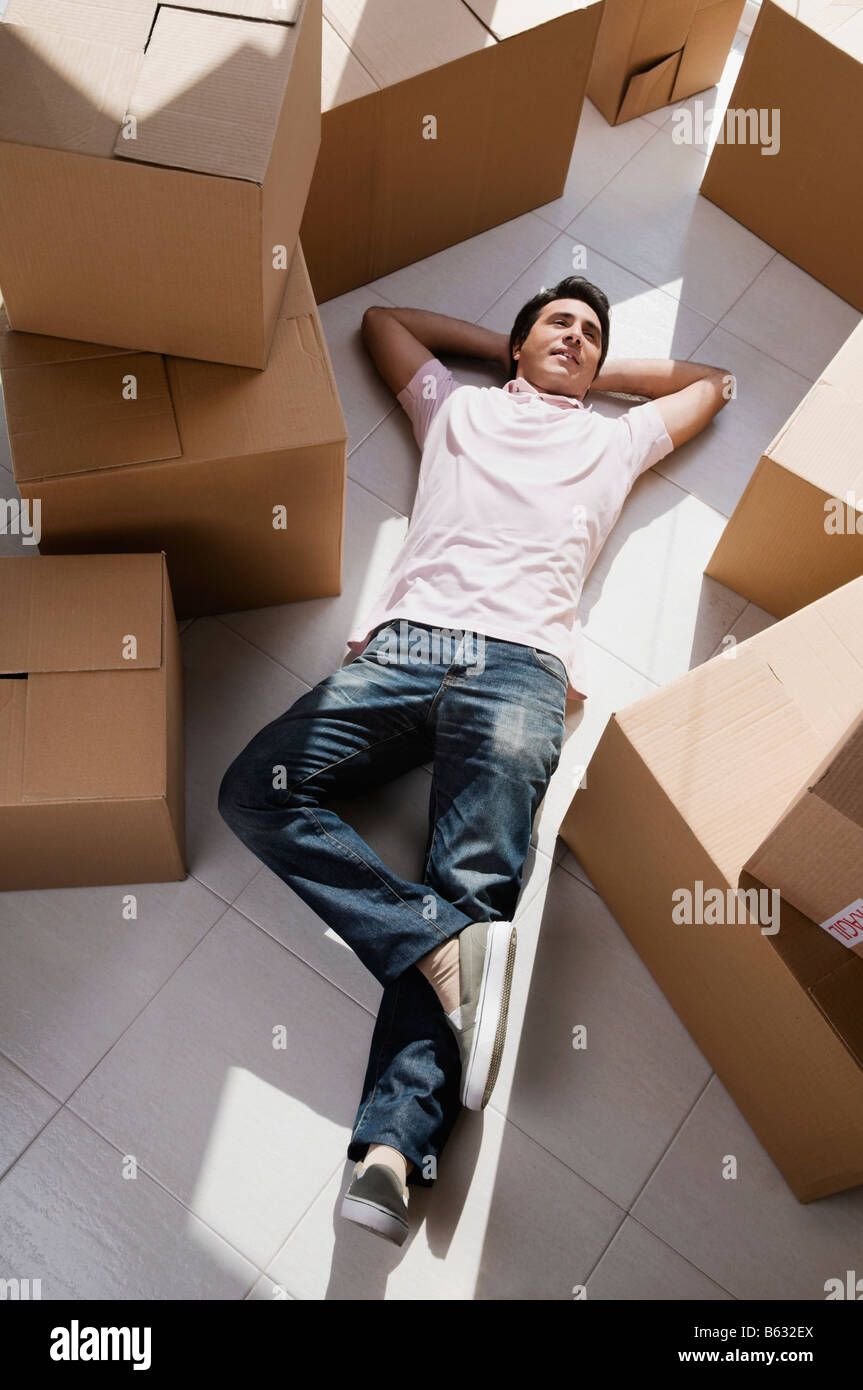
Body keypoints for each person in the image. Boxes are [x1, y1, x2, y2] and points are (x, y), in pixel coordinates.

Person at [218, 275, 731, 1247]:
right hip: (408, 645)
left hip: (521, 669)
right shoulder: (451, 410)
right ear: (512, 341)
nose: (574, 337)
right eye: (557, 324)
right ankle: (439, 949)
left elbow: (713, 381)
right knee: (254, 790)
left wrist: (586, 370)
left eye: (589, 332)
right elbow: (384, 323)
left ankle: (388, 1151)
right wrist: (510, 352)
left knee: (471, 881)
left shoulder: (613, 436)